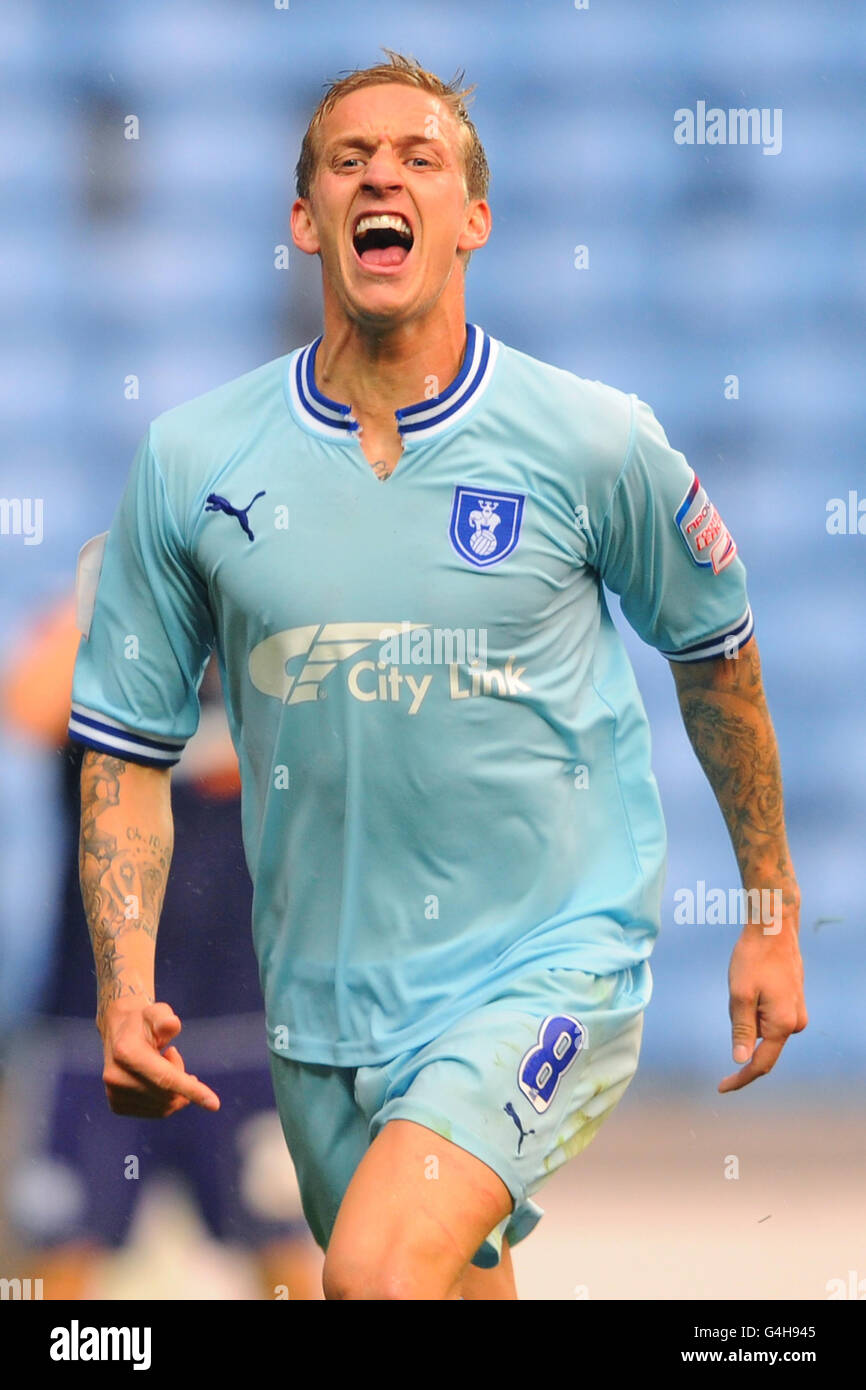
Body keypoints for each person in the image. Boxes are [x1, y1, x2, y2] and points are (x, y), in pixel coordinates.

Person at [66, 50, 807, 1301]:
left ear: (472, 218)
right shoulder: (192, 462)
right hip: (320, 1009)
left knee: (375, 1272)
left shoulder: (588, 440)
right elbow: (128, 746)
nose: (381, 176)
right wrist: (124, 986)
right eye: (348, 160)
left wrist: (770, 913)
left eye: (418, 157)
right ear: (306, 221)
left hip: (546, 965)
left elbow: (714, 655)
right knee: (444, 1287)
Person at [2, 600, 321, 1299]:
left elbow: (333, 741)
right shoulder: (103, 630)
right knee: (61, 1254)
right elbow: (27, 706)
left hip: (246, 1020)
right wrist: (110, 600)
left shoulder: (261, 619)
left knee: (285, 1255)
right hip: (95, 1024)